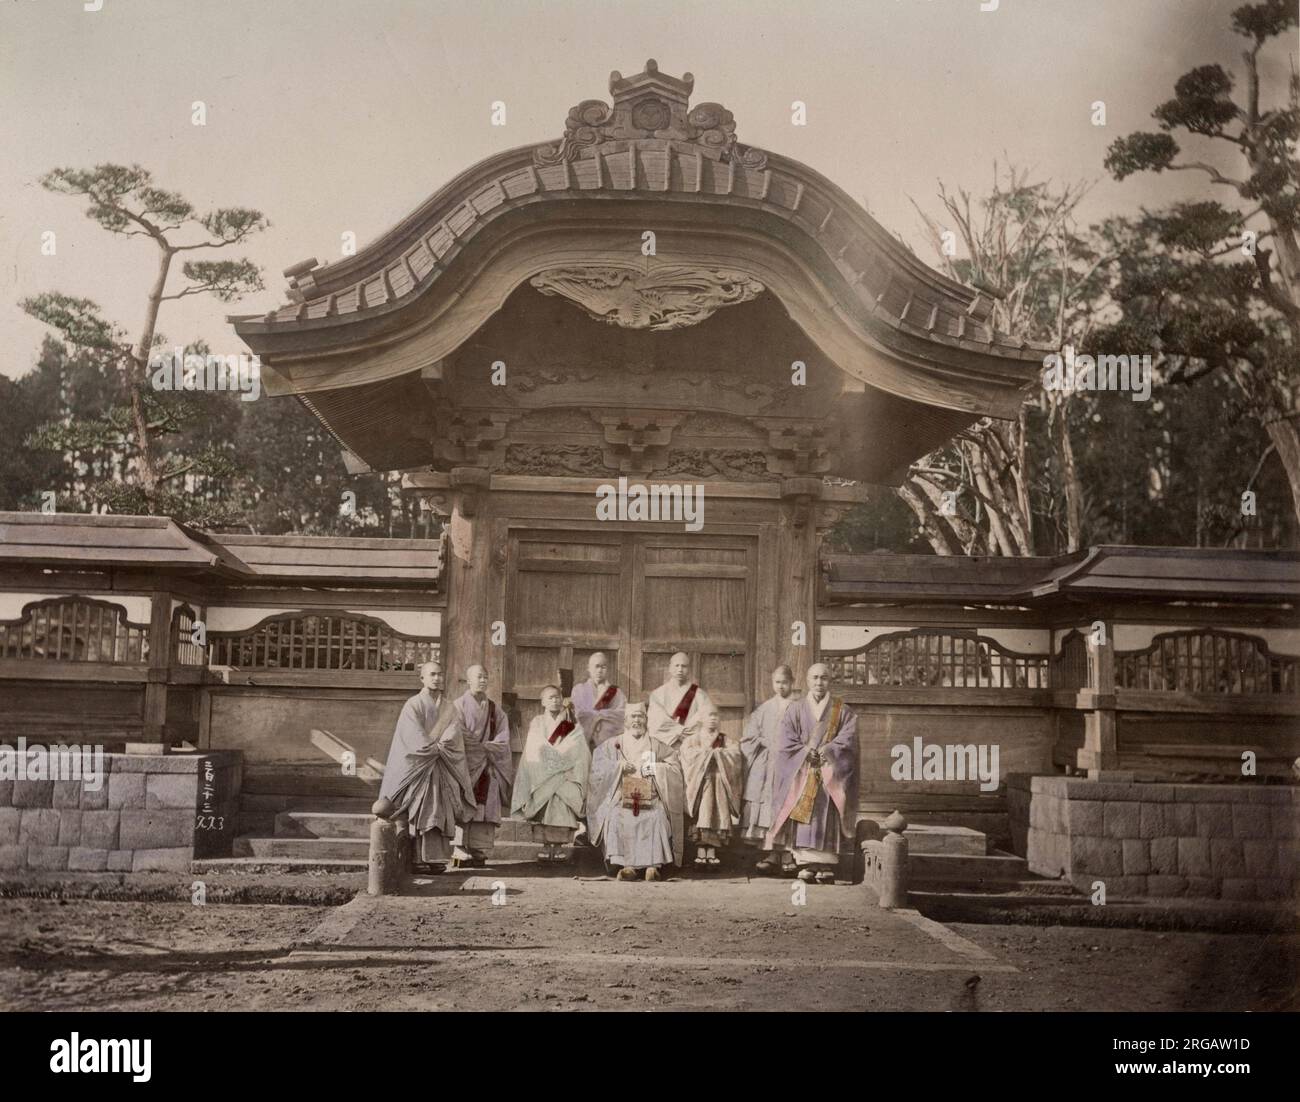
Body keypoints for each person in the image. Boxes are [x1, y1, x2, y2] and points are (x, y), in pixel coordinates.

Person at [372, 661, 475, 874]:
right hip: (420, 765)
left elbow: (454, 732)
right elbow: (412, 734)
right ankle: (417, 858)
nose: (437, 678)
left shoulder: (449, 707)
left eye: (439, 674)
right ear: (422, 678)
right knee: (417, 809)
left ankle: (437, 859)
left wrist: (440, 747)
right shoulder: (413, 704)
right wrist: (433, 748)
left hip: (441, 765)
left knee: (441, 808)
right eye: (432, 674)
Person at [767, 663, 859, 885]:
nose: (819, 682)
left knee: (828, 812)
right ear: (808, 681)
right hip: (803, 770)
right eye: (815, 678)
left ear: (830, 681)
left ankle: (826, 865)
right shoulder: (795, 709)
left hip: (829, 772)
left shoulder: (842, 711)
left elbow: (849, 739)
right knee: (804, 814)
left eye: (824, 678)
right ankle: (806, 864)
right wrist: (805, 752)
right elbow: (785, 739)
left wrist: (827, 751)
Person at [586, 701, 685, 881]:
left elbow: (675, 768)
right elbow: (598, 767)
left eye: (640, 716)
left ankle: (652, 866)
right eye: (633, 716)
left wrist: (656, 768)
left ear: (646, 720)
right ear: (625, 720)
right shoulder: (613, 744)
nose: (637, 721)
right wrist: (618, 767)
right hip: (622, 797)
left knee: (657, 816)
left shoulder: (656, 745)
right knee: (616, 815)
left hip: (652, 797)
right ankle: (627, 866)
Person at [511, 685, 592, 862]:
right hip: (543, 772)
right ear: (543, 702)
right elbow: (535, 745)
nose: (554, 700)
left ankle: (559, 845)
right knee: (545, 801)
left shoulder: (570, 723)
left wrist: (559, 760)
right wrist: (554, 760)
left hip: (564, 773)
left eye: (557, 697)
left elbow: (577, 747)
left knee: (562, 800)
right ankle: (546, 845)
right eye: (550, 698)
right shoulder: (538, 722)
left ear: (562, 699)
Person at [450, 663, 514, 868]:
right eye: (478, 677)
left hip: (488, 766)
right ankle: (459, 850)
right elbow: (456, 734)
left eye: (485, 677)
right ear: (468, 680)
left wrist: (486, 751)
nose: (483, 680)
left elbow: (503, 738)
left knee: (485, 807)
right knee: (464, 803)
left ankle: (479, 851)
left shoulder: (495, 709)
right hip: (465, 765)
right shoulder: (458, 705)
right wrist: (480, 750)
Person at [740, 665, 799, 874]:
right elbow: (749, 737)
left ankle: (787, 853)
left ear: (792, 682)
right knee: (767, 804)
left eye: (784, 682)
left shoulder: (799, 708)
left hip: (790, 763)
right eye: (777, 682)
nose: (781, 686)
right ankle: (772, 853)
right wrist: (764, 741)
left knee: (786, 803)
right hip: (767, 764)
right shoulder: (764, 709)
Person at [680, 705, 744, 867]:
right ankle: (701, 853)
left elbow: (735, 754)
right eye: (709, 715)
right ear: (701, 718)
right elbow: (688, 754)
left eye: (716, 716)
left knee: (716, 816)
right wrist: (708, 754)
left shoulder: (725, 739)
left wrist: (717, 754)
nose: (713, 719)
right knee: (702, 814)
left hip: (719, 784)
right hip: (701, 784)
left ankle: (713, 852)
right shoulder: (693, 739)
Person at [646, 652, 713, 757]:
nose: (680, 669)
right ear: (670, 668)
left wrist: (686, 733)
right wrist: (680, 731)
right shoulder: (658, 694)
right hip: (666, 745)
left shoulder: (700, 694)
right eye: (676, 665)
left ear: (689, 669)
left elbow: (706, 718)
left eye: (684, 666)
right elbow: (656, 722)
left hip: (692, 746)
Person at [571, 652, 626, 749]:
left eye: (603, 667)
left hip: (608, 738)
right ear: (589, 668)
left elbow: (622, 715)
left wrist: (599, 715)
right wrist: (601, 716)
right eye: (596, 666)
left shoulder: (616, 692)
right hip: (584, 738)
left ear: (607, 669)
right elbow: (578, 714)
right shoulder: (578, 689)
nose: (600, 670)